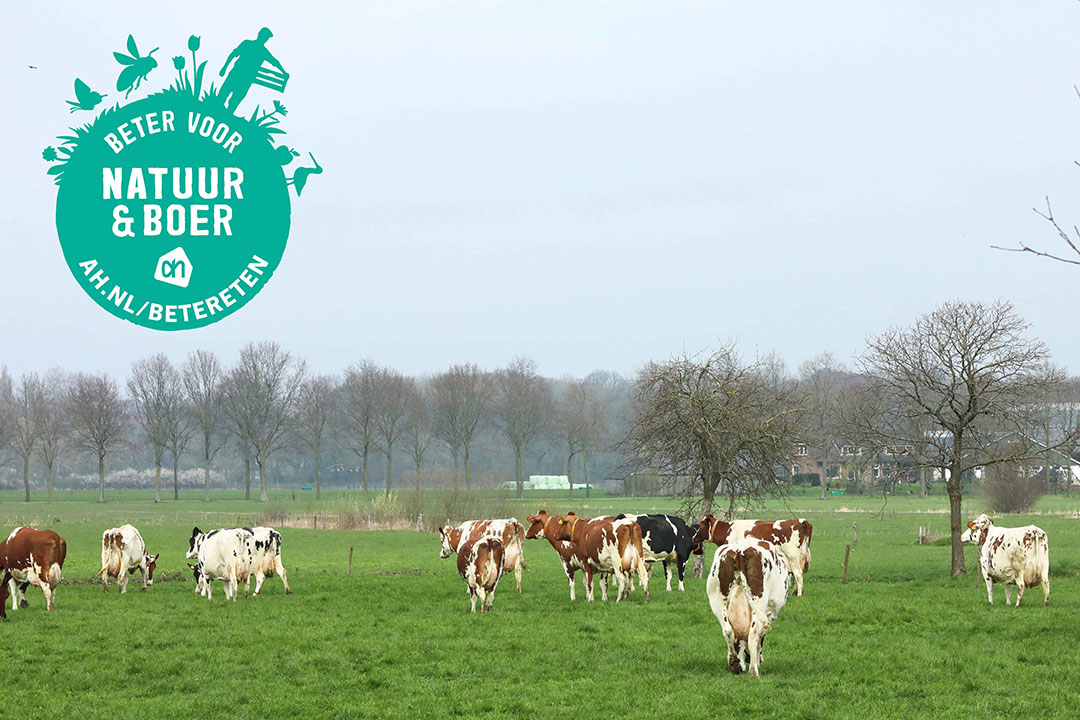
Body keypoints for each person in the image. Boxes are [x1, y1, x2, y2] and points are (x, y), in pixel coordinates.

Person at [219, 27, 285, 112]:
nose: (265, 39)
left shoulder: (263, 51)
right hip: (236, 75)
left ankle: (225, 117)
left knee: (234, 102)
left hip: (245, 80)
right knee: (223, 96)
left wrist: (283, 72)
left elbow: (275, 62)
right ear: (259, 34)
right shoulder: (248, 44)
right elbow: (233, 54)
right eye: (265, 37)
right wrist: (224, 67)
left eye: (266, 38)